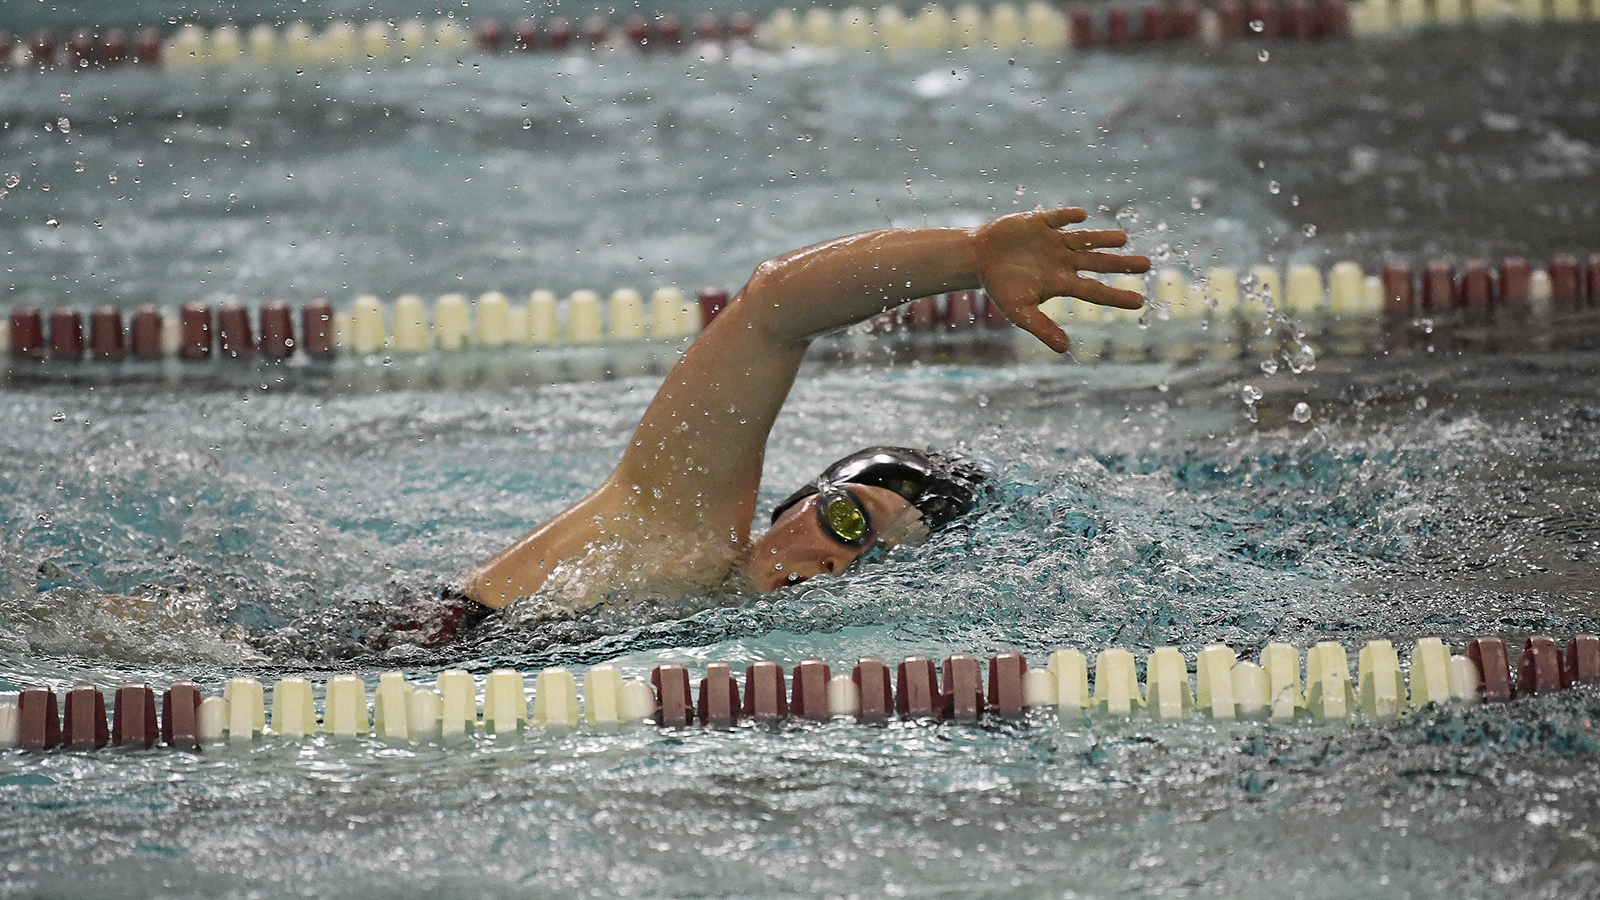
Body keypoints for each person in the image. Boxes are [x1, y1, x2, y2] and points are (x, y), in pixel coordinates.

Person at [449, 206, 1149, 628]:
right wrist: (969, 256)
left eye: (880, 565)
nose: (838, 562)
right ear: (800, 502)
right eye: (849, 522)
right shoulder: (676, 527)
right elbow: (773, 311)